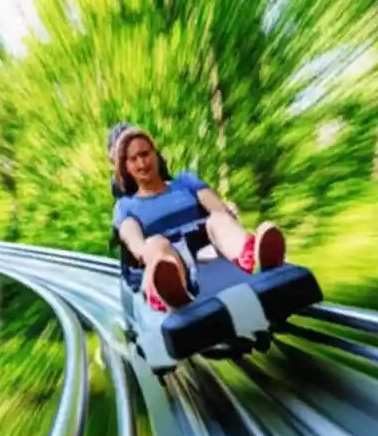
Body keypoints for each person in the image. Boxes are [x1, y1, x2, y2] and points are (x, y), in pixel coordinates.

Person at [107, 123, 286, 312]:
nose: (142, 163)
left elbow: (217, 209)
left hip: (207, 249)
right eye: (133, 159)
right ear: (125, 167)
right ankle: (172, 290)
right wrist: (147, 251)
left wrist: (227, 213)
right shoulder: (125, 206)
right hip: (168, 257)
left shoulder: (185, 182)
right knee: (155, 244)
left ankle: (260, 260)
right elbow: (135, 242)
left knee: (218, 220)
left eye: (145, 154)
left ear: (155, 154)